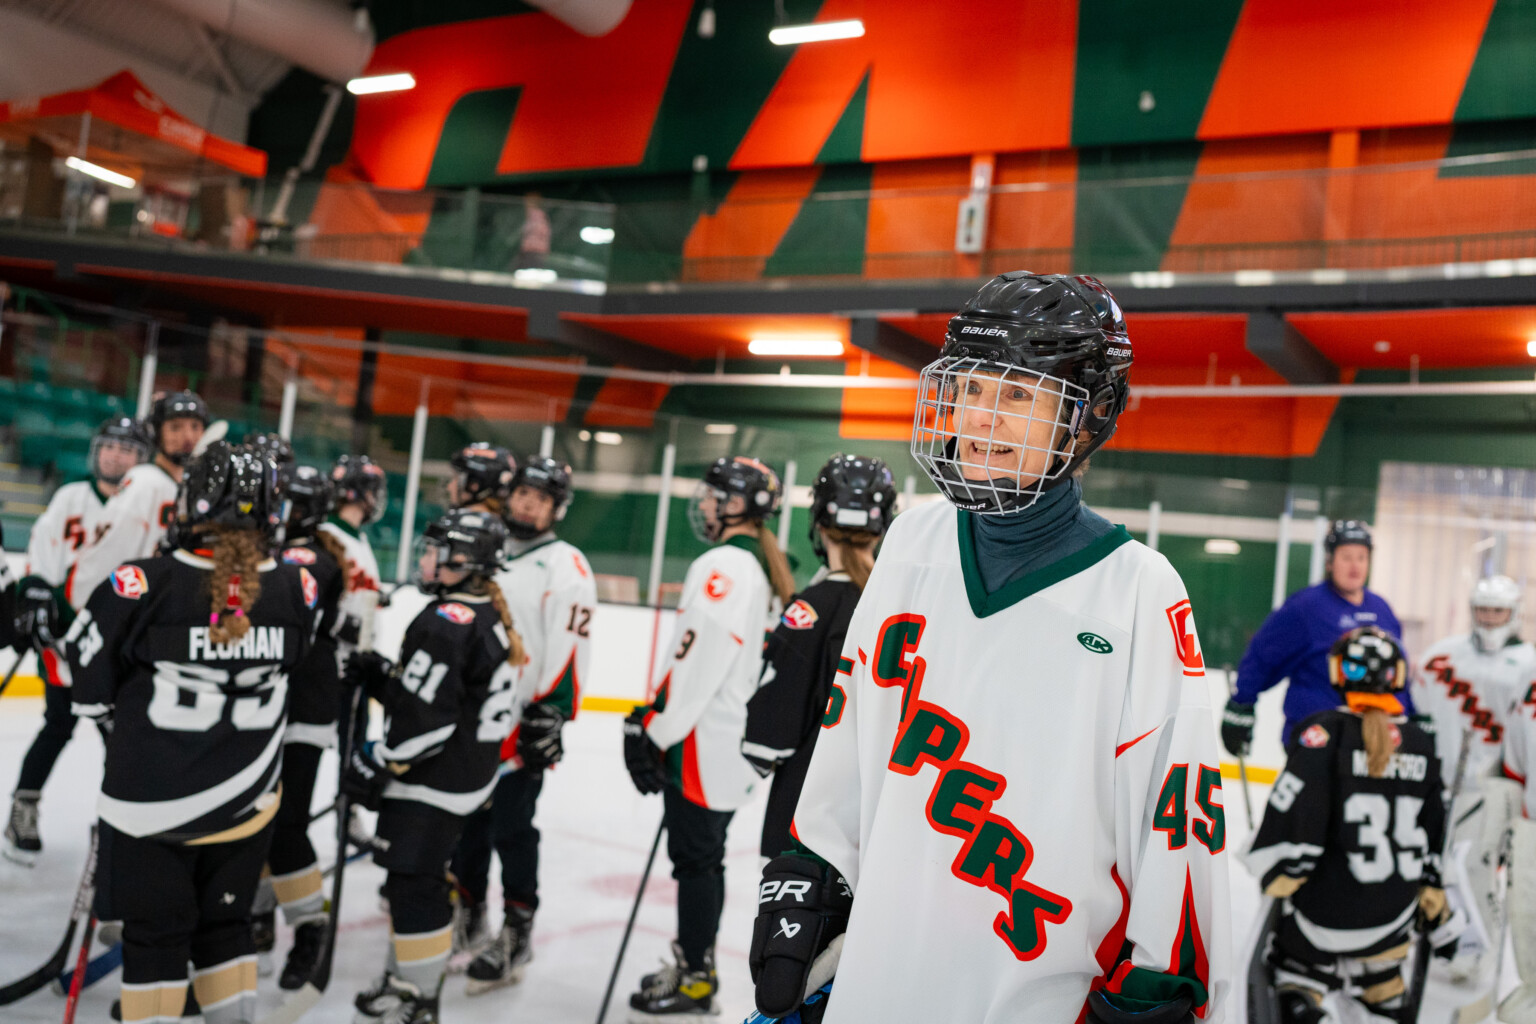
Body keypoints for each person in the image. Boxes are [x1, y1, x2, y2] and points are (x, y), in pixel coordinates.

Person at [749, 272, 1230, 1024]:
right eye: (970, 390)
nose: (979, 418)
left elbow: (1177, 825)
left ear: (1089, 417)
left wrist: (1157, 984)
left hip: (1037, 991)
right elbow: (850, 741)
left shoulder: (1138, 592)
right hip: (881, 976)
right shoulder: (911, 542)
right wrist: (810, 870)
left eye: (1015, 396)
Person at [63, 441, 316, 1024]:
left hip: (149, 808)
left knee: (156, 938)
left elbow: (90, 687)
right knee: (226, 930)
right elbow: (293, 671)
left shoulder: (141, 583)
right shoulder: (296, 588)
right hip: (247, 803)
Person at [623, 455, 796, 1020]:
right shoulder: (762, 565)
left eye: (713, 494)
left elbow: (697, 662)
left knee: (696, 862)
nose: (703, 503)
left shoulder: (726, 564)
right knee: (703, 859)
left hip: (703, 742)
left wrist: (655, 728)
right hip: (729, 743)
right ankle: (696, 963)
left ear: (741, 504)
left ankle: (697, 976)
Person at [346, 509, 529, 1024]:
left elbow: (426, 725)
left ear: (465, 561)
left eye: (436, 550)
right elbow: (440, 699)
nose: (425, 558)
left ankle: (417, 996)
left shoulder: (444, 623)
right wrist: (384, 677)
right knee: (417, 881)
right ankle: (404, 978)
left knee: (414, 883)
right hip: (466, 777)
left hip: (431, 783)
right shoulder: (483, 614)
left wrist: (378, 759)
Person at [1244, 626, 1459, 1024]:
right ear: (1396, 676)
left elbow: (1292, 837)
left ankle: (1302, 1002)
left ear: (1342, 671)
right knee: (1383, 978)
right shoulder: (1420, 742)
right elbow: (1435, 838)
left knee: (1293, 972)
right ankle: (1386, 1000)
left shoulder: (1322, 732)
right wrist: (1435, 899)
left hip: (1323, 918)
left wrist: (1278, 870)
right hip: (1392, 917)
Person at [459, 454, 597, 994]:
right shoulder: (487, 545)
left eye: (540, 499)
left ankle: (518, 931)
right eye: (522, 494)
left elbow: (571, 646)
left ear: (556, 509)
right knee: (465, 825)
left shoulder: (566, 565)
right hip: (472, 719)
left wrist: (552, 712)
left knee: (511, 830)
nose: (527, 504)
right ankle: (468, 915)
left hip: (520, 725)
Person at [4, 416, 150, 864]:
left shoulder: (144, 505)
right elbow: (44, 558)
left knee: (120, 738)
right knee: (58, 725)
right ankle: (23, 808)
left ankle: (118, 820)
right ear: (97, 451)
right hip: (64, 641)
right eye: (110, 446)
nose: (117, 455)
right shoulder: (70, 497)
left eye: (128, 450)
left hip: (118, 643)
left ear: (140, 460)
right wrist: (39, 600)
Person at [743, 453, 895, 861]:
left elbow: (775, 719)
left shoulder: (812, 607)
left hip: (811, 815)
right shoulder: (900, 605)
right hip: (881, 815)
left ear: (819, 522)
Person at [1410, 574, 1532, 986]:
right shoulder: (1441, 655)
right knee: (1428, 866)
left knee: (1476, 872)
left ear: (1513, 614)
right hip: (1437, 784)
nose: (1489, 618)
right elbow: (1420, 712)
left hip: (1491, 791)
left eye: (1498, 611)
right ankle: (1430, 933)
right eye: (1483, 609)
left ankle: (1475, 948)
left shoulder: (1530, 665)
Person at [260, 464, 349, 990]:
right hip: (271, 702)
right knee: (256, 819)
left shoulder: (307, 555)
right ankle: (254, 919)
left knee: (287, 822)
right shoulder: (280, 546)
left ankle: (309, 929)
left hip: (302, 705)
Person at [1223, 520, 1410, 755]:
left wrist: (1411, 716)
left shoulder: (1382, 610)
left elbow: (1398, 672)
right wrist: (1242, 702)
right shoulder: (1306, 608)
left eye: (1361, 557)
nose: (1355, 566)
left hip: (1371, 745)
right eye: (1347, 557)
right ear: (1330, 562)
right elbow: (1263, 654)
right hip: (1316, 740)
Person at [70, 391, 209, 608]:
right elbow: (108, 555)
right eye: (175, 427)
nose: (188, 437)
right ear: (156, 433)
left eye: (195, 426)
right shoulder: (143, 482)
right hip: (130, 610)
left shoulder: (197, 488)